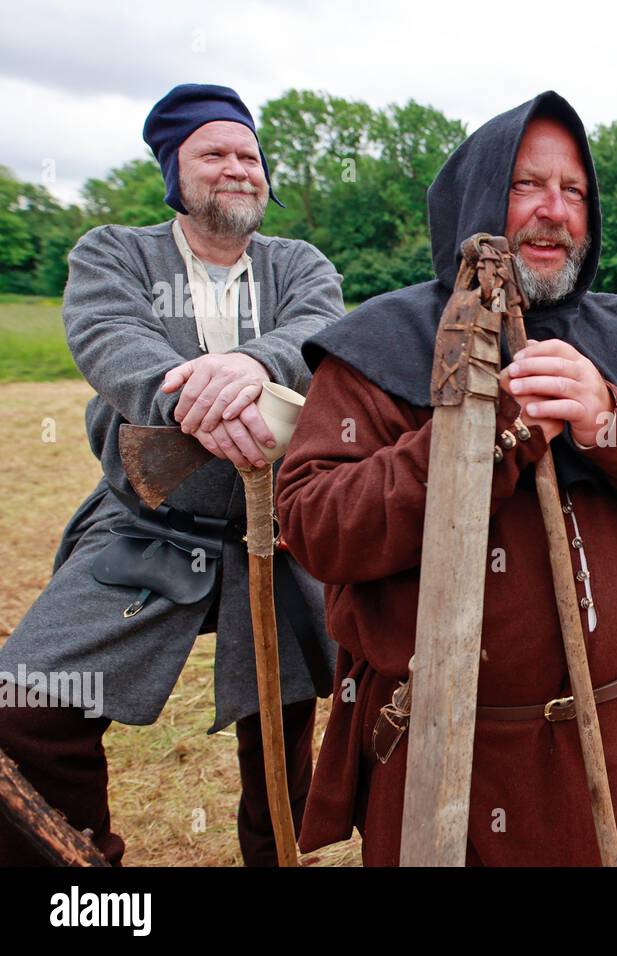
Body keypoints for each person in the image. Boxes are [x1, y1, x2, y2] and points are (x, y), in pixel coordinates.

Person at [276, 91, 617, 866]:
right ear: (479, 198)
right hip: (446, 748)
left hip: (606, 739)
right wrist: (487, 432)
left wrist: (607, 417)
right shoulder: (387, 342)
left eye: (575, 191)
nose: (554, 211)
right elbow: (319, 525)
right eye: (528, 184)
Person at [0, 84, 342, 866]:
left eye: (249, 156)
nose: (238, 170)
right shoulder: (114, 252)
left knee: (282, 727)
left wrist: (249, 361)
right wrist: (201, 396)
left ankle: (276, 860)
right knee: (26, 707)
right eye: (213, 154)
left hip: (274, 530)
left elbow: (317, 329)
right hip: (148, 526)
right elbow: (110, 337)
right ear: (174, 172)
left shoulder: (298, 264)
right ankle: (85, 878)